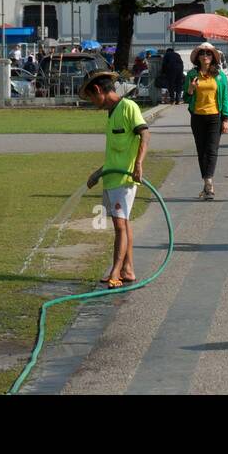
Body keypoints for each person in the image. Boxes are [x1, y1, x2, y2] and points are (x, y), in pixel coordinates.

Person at [80, 69, 149, 289]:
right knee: (123, 224)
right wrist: (98, 173)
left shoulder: (128, 107)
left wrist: (138, 164)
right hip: (111, 178)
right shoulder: (111, 115)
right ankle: (128, 269)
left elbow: (144, 134)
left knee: (120, 226)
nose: (92, 102)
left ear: (98, 90)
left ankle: (115, 272)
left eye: (91, 97)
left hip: (125, 180)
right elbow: (114, 155)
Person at [185, 43, 228, 201]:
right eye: (202, 53)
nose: (205, 56)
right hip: (197, 117)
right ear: (198, 57)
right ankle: (206, 183)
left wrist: (225, 118)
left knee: (212, 150)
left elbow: (225, 97)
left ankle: (209, 183)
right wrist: (191, 88)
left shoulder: (219, 76)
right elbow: (186, 97)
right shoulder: (192, 74)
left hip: (214, 117)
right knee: (201, 151)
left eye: (209, 54)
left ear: (213, 57)